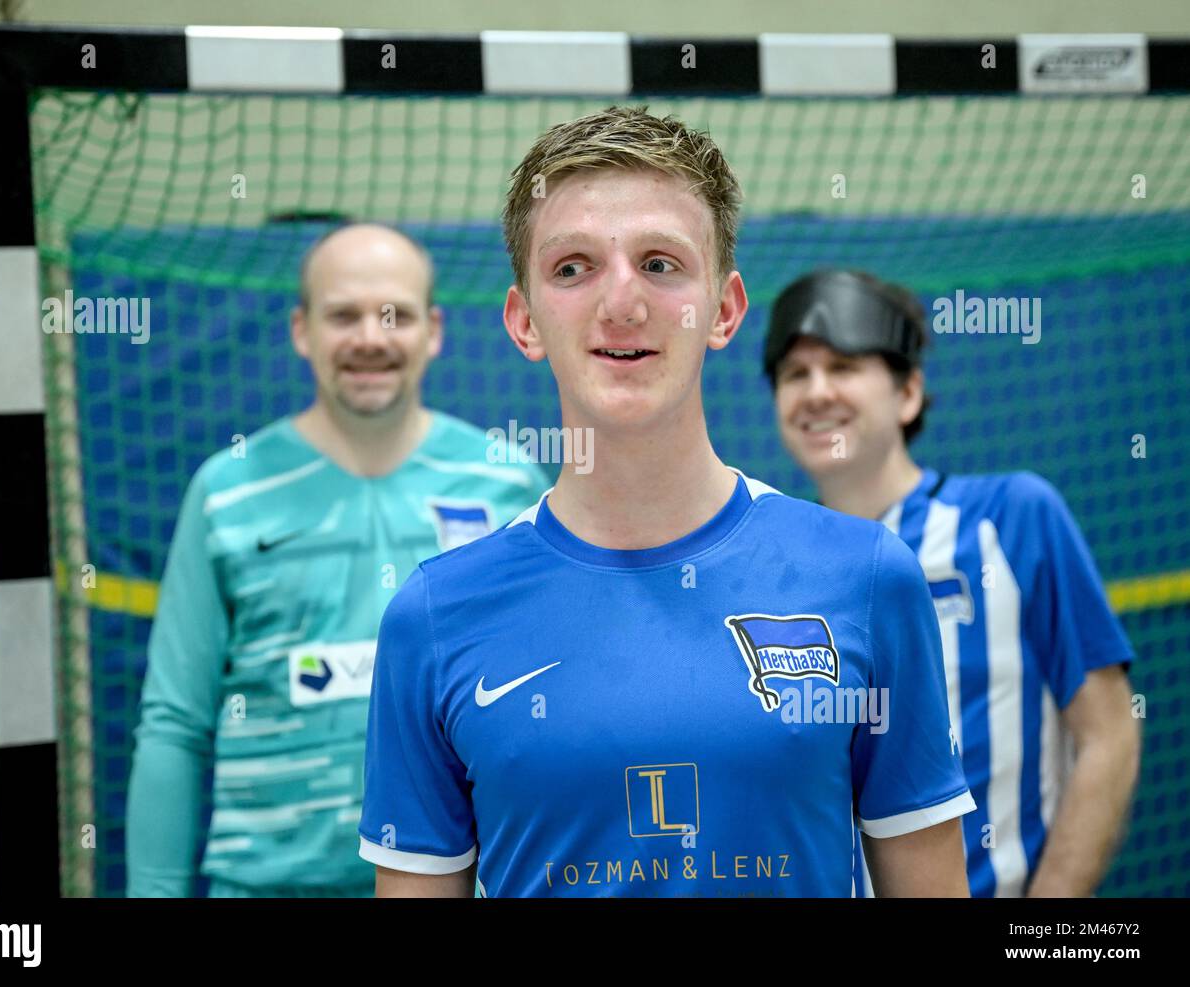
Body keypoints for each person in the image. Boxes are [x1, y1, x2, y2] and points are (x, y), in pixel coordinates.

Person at [358, 107, 973, 898]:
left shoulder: (868, 577)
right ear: (523, 320)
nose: (622, 303)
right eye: (573, 267)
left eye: (659, 263)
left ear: (723, 309)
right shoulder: (435, 616)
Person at [126, 223, 549, 897]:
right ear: (302, 330)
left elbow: (546, 703)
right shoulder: (227, 491)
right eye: (343, 314)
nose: (371, 338)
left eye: (396, 315)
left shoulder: (508, 482)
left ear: (434, 331)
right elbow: (175, 724)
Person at [764, 268, 1141, 897]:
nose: (816, 392)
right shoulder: (780, 573)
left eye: (844, 366)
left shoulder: (1014, 518)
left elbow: (1110, 734)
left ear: (908, 393)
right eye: (795, 374)